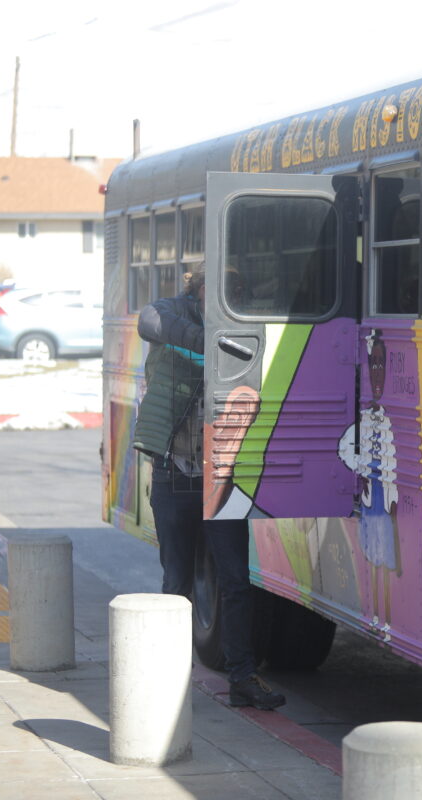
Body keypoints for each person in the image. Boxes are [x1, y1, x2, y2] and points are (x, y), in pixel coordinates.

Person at [132, 272, 284, 710]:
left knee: (236, 582)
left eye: (235, 293)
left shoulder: (244, 327)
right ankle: (171, 681)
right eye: (216, 289)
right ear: (198, 288)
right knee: (176, 581)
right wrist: (212, 341)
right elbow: (149, 321)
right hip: (173, 472)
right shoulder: (173, 312)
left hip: (221, 477)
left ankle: (242, 679)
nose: (226, 298)